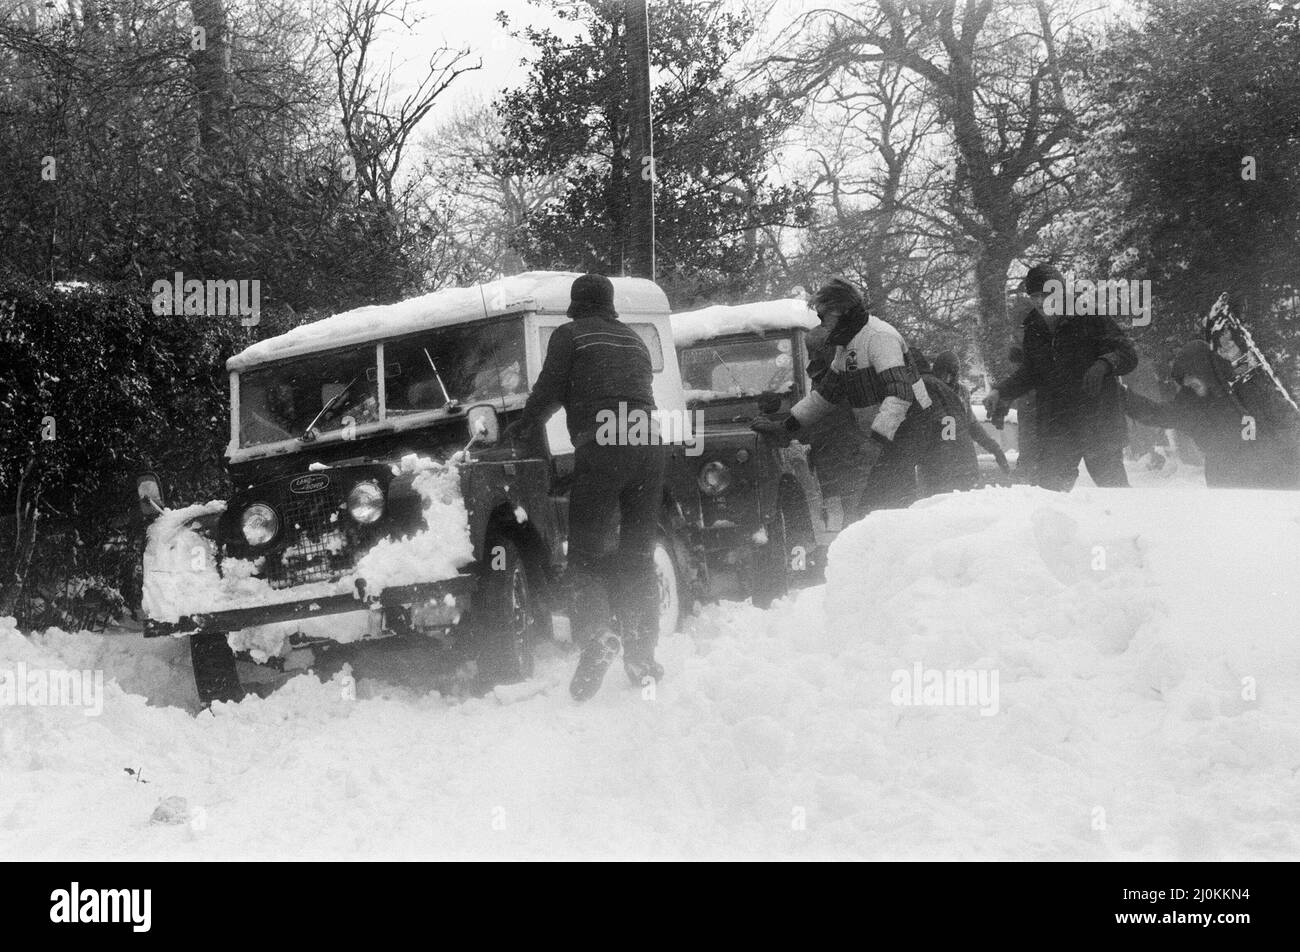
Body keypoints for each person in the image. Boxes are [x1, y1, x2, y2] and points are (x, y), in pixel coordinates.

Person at [506, 274, 665, 701]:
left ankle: (597, 636)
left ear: (576, 304)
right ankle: (641, 656)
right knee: (637, 556)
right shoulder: (633, 339)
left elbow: (549, 391)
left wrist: (522, 426)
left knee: (586, 559)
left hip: (604, 447)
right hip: (648, 445)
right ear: (610, 303)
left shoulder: (570, 335)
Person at [753, 278, 933, 512]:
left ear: (841, 311)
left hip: (908, 431)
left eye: (822, 316)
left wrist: (874, 444)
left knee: (885, 507)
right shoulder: (847, 344)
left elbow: (899, 395)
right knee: (871, 510)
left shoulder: (879, 337)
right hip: (885, 435)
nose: (821, 323)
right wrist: (785, 426)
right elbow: (825, 396)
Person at [984, 263, 1138, 491]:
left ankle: (1129, 526)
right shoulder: (1034, 329)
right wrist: (1001, 391)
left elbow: (1127, 354)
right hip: (1060, 424)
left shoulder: (1090, 317)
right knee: (1051, 491)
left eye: (1045, 294)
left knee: (1114, 490)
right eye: (1034, 295)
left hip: (1098, 421)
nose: (1039, 301)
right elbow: (1031, 372)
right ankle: (1056, 527)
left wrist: (1104, 364)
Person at [1122, 340, 1300, 488]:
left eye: (1191, 374)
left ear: (1204, 367)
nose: (1188, 381)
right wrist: (1123, 396)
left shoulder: (1235, 376)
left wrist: (1236, 349)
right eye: (1184, 379)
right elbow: (1157, 413)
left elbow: (1264, 375)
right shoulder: (1190, 403)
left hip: (1270, 470)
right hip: (1224, 477)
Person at [918, 350, 1011, 495]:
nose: (946, 378)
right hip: (935, 460)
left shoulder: (961, 392)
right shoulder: (927, 389)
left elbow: (972, 425)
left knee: (962, 504)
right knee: (933, 504)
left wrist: (995, 449)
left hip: (961, 458)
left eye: (951, 373)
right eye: (943, 372)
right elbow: (920, 428)